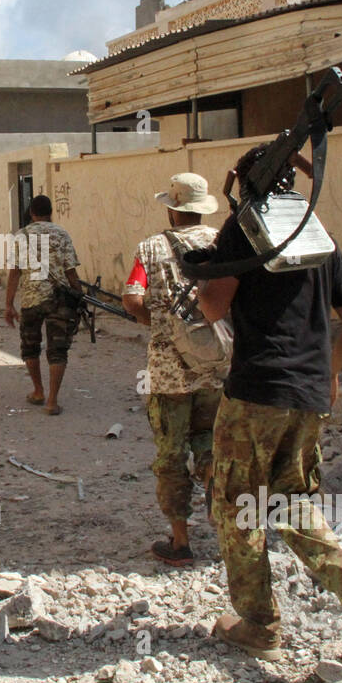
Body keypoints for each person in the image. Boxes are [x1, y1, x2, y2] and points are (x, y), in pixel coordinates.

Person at [186, 144, 342, 660]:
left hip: (256, 390)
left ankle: (258, 624)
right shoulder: (319, 236)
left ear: (244, 184)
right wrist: (331, 374)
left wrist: (207, 273)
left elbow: (212, 306)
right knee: (288, 498)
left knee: (237, 505)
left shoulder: (242, 231)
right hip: (311, 391)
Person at [121, 173, 226, 567]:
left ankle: (180, 542)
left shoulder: (151, 247)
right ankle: (222, 518)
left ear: (172, 208)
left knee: (170, 453)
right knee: (210, 443)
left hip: (168, 372)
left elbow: (131, 298)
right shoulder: (222, 244)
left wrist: (158, 321)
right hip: (216, 364)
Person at [3, 194, 81, 416]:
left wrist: (9, 305)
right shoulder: (61, 234)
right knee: (58, 351)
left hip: (31, 299)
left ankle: (38, 391)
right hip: (59, 299)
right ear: (51, 212)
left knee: (30, 346)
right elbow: (70, 270)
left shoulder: (21, 236)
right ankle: (52, 402)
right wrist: (79, 295)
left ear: (31, 213)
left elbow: (14, 273)